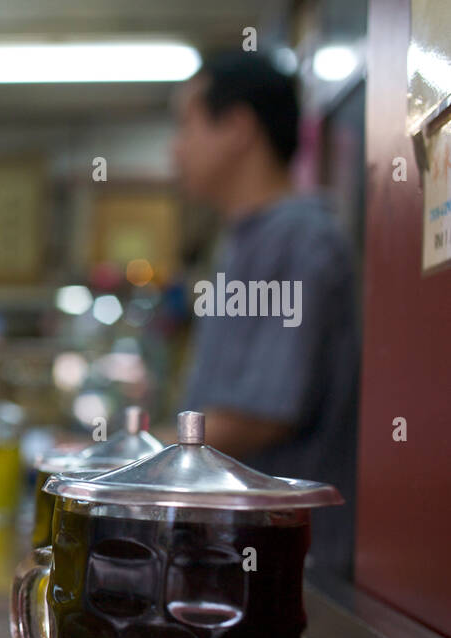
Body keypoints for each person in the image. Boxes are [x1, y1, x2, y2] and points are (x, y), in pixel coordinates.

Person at [170, 51, 360, 579]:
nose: (175, 147)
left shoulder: (301, 239)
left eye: (186, 124)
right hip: (235, 555)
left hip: (285, 566)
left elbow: (261, 413)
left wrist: (134, 460)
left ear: (236, 128)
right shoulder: (243, 242)